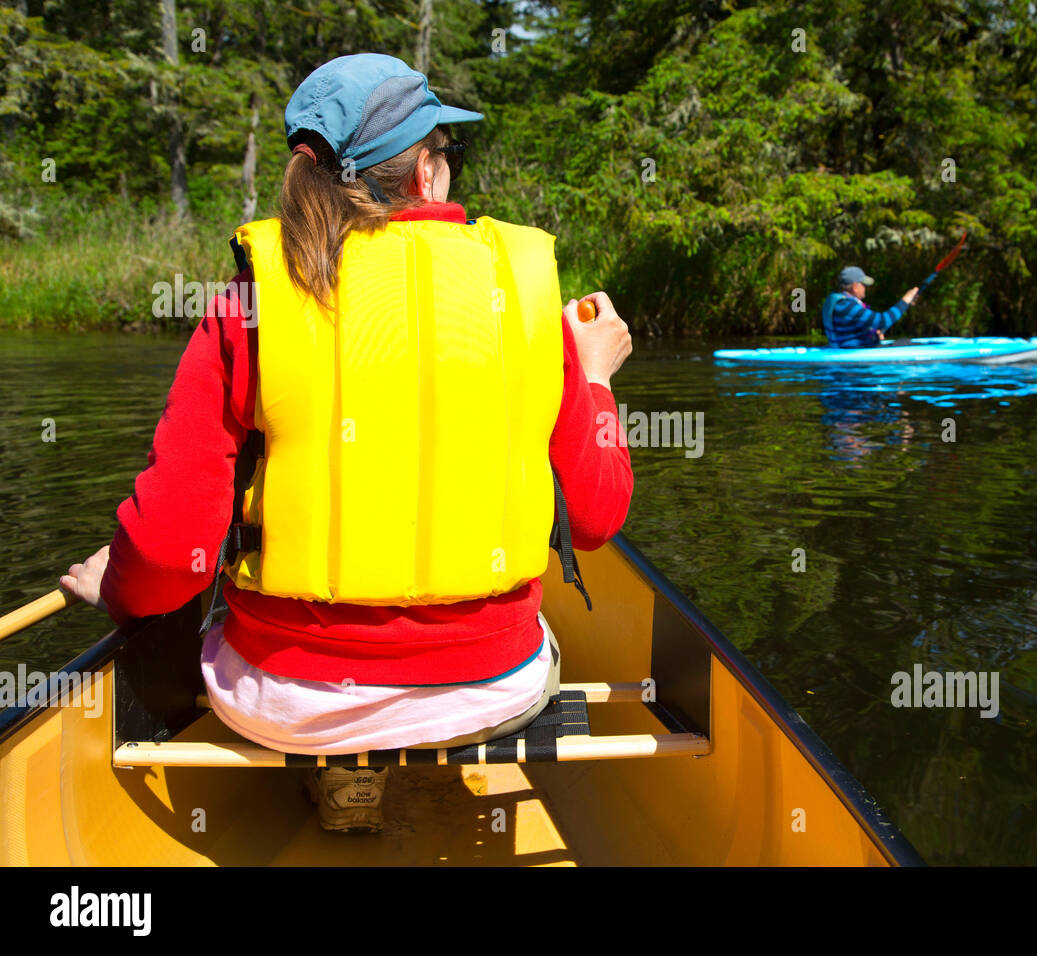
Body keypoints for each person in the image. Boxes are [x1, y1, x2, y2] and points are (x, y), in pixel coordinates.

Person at [58, 53, 634, 833]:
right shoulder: (525, 300)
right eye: (448, 154)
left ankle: (341, 772)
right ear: (427, 175)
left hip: (285, 702)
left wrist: (116, 589)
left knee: (204, 610)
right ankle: (383, 758)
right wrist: (594, 379)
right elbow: (597, 520)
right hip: (491, 691)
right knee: (537, 635)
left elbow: (166, 554)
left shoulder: (249, 301)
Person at [822, 266, 918, 348]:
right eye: (863, 285)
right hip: (853, 351)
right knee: (906, 343)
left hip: (852, 349)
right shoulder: (846, 306)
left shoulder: (839, 303)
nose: (865, 288)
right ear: (855, 287)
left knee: (903, 341)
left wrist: (875, 335)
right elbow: (883, 321)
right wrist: (906, 301)